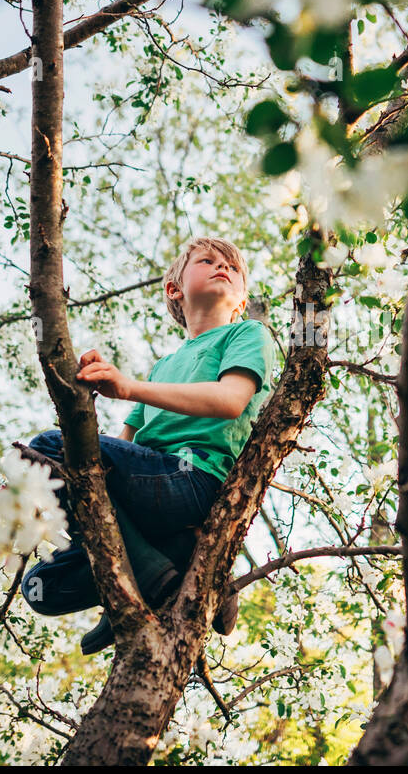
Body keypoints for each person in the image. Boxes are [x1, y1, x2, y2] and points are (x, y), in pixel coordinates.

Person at [17, 237, 277, 654]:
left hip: (193, 478)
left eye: (232, 267)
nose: (223, 267)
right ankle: (167, 559)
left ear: (241, 300)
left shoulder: (247, 334)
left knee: (46, 445)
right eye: (208, 260)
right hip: (148, 495)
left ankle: (149, 573)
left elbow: (231, 401)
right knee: (39, 587)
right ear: (175, 289)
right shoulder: (163, 368)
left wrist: (129, 387)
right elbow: (110, 461)